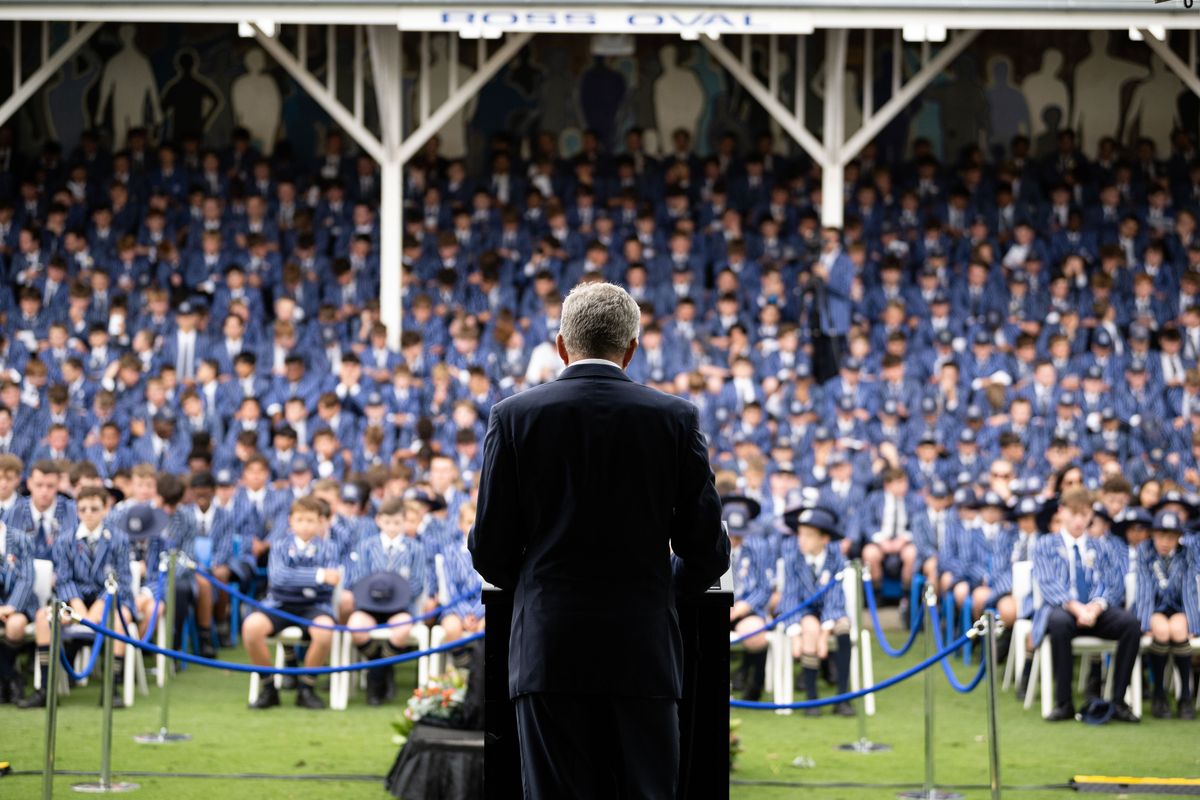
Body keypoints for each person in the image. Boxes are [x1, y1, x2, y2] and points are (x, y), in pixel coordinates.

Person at [470, 282, 728, 799]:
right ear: (630, 349)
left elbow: (490, 549)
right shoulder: (674, 417)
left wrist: (538, 589)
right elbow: (706, 550)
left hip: (549, 648)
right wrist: (661, 591)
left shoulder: (514, 416)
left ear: (562, 345)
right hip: (643, 648)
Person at [1031, 487, 1141, 722]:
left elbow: (1113, 583)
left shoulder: (1101, 546)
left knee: (1131, 624)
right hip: (1064, 609)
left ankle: (1118, 701)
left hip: (1095, 611)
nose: (1079, 520)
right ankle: (1064, 703)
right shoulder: (1044, 544)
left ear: (1091, 514)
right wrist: (1077, 608)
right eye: (1074, 513)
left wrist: (1096, 607)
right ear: (1061, 512)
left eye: (1084, 514)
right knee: (1058, 622)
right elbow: (1048, 583)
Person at [21, 485, 135, 708]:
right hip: (74, 601)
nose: (88, 514)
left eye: (94, 508)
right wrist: (77, 607)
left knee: (120, 622)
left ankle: (112, 688)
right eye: (83, 509)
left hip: (110, 600)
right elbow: (63, 578)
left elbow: (121, 579)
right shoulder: (65, 539)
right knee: (43, 618)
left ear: (105, 509)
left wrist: (99, 606)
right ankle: (45, 688)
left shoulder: (119, 539)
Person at [242, 496, 340, 710]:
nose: (305, 525)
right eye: (300, 520)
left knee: (324, 631)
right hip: (279, 604)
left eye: (310, 520)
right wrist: (318, 575)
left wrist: (298, 578)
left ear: (320, 522)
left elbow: (331, 583)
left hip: (315, 606)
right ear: (291, 521)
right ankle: (269, 687)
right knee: (251, 628)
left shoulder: (330, 548)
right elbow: (278, 578)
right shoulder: (279, 546)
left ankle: (306, 688)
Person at [344, 496, 427, 705]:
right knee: (356, 627)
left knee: (402, 629)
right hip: (368, 605)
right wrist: (378, 591)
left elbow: (417, 583)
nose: (392, 527)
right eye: (387, 522)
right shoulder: (365, 546)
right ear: (379, 520)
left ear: (404, 522)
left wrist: (394, 593)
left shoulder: (415, 548)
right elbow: (358, 578)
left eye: (397, 522)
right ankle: (382, 669)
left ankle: (376, 678)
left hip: (400, 606)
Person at [780, 504, 853, 717]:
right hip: (804, 612)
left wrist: (825, 633)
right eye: (800, 534)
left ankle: (842, 697)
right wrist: (795, 633)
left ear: (824, 539)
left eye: (809, 535)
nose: (802, 540)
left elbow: (835, 597)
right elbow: (790, 598)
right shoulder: (792, 559)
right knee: (809, 628)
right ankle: (811, 699)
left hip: (832, 611)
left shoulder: (837, 559)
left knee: (843, 627)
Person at [1135, 510, 1197, 719]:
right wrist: (1145, 623)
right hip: (1154, 608)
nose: (1165, 542)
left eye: (1171, 536)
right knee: (1161, 631)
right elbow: (1143, 589)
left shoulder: (1186, 553)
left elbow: (1189, 590)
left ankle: (1185, 696)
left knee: (1179, 630)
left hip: (1178, 607)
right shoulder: (1144, 551)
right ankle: (1159, 693)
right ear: (1153, 534)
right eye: (1161, 535)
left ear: (1178, 537)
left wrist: (1193, 625)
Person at [724, 493, 773, 702]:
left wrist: (743, 606)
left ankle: (755, 687)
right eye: (731, 535)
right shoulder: (710, 547)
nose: (735, 540)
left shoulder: (757, 548)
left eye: (739, 535)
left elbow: (764, 588)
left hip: (746, 609)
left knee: (755, 633)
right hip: (715, 607)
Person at [0, 512, 33, 703]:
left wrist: (11, 607)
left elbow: (26, 579)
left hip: (20, 604)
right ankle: (11, 677)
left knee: (15, 625)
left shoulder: (21, 539)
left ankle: (6, 679)